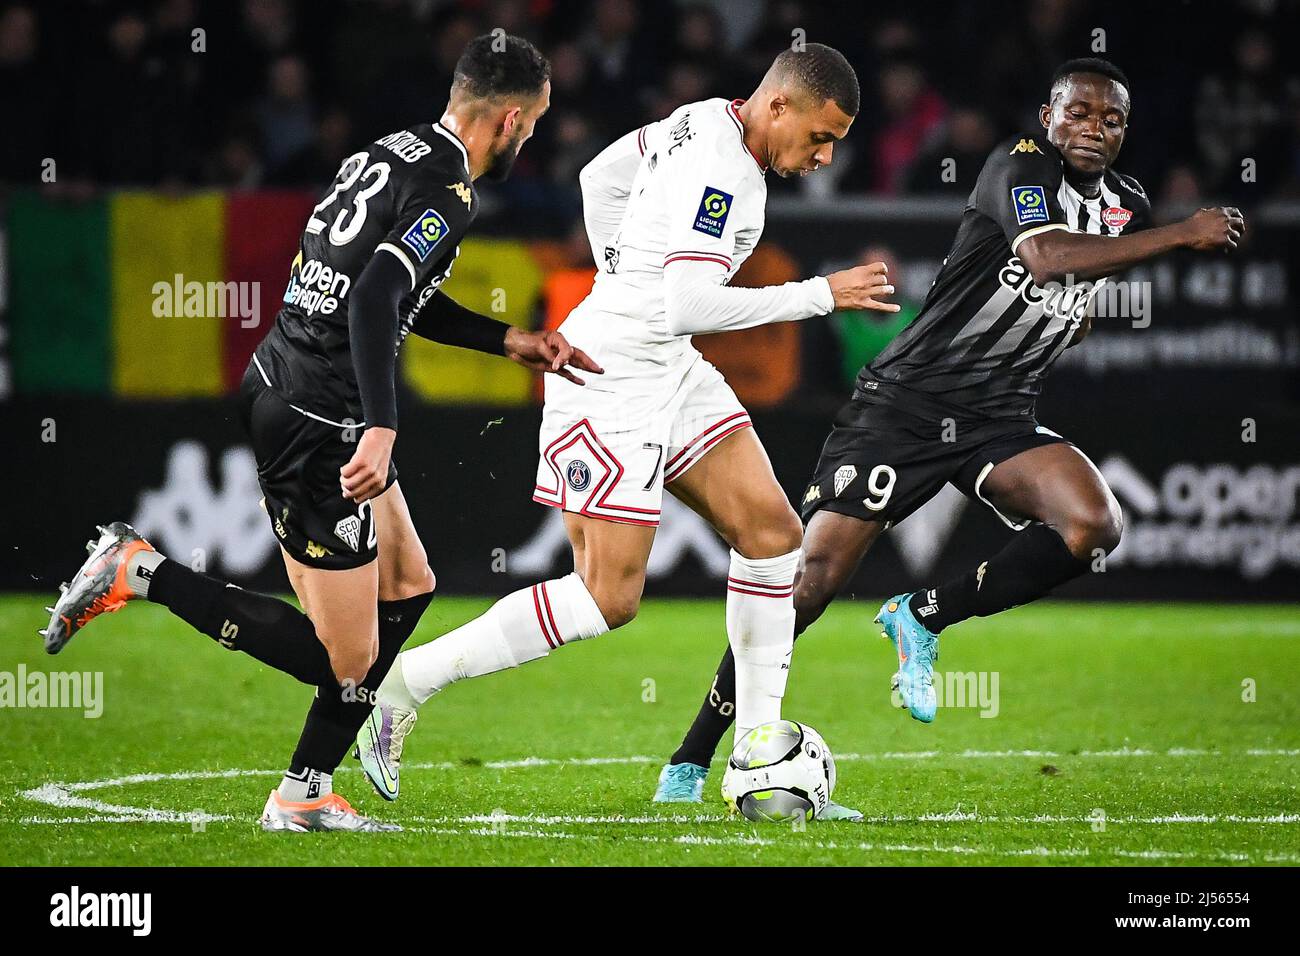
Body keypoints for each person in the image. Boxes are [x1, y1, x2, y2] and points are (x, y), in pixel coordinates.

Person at [41, 33, 598, 832]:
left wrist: (507, 339)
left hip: (289, 384)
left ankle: (305, 790)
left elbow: (399, 288)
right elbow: (375, 301)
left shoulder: (395, 153)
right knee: (348, 661)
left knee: (410, 585)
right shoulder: (448, 191)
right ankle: (142, 570)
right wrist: (379, 426)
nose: (532, 139)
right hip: (319, 418)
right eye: (535, 125)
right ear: (510, 117)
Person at [653, 57, 1246, 803]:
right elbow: (1044, 254)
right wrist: (1181, 235)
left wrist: (1061, 323)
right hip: (909, 402)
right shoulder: (1018, 164)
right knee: (806, 583)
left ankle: (922, 616)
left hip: (1000, 413)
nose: (1094, 127)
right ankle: (690, 757)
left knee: (1093, 523)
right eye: (1080, 111)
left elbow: (1074, 295)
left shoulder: (1126, 202)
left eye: (1113, 119)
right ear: (1048, 114)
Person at [354, 44, 897, 822]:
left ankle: (754, 754)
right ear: (780, 105)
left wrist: (622, 275)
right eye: (820, 135)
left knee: (775, 535)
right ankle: (404, 685)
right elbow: (685, 306)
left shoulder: (703, 119)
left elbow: (598, 177)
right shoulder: (724, 170)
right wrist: (819, 294)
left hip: (667, 366)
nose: (824, 155)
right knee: (609, 598)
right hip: (610, 379)